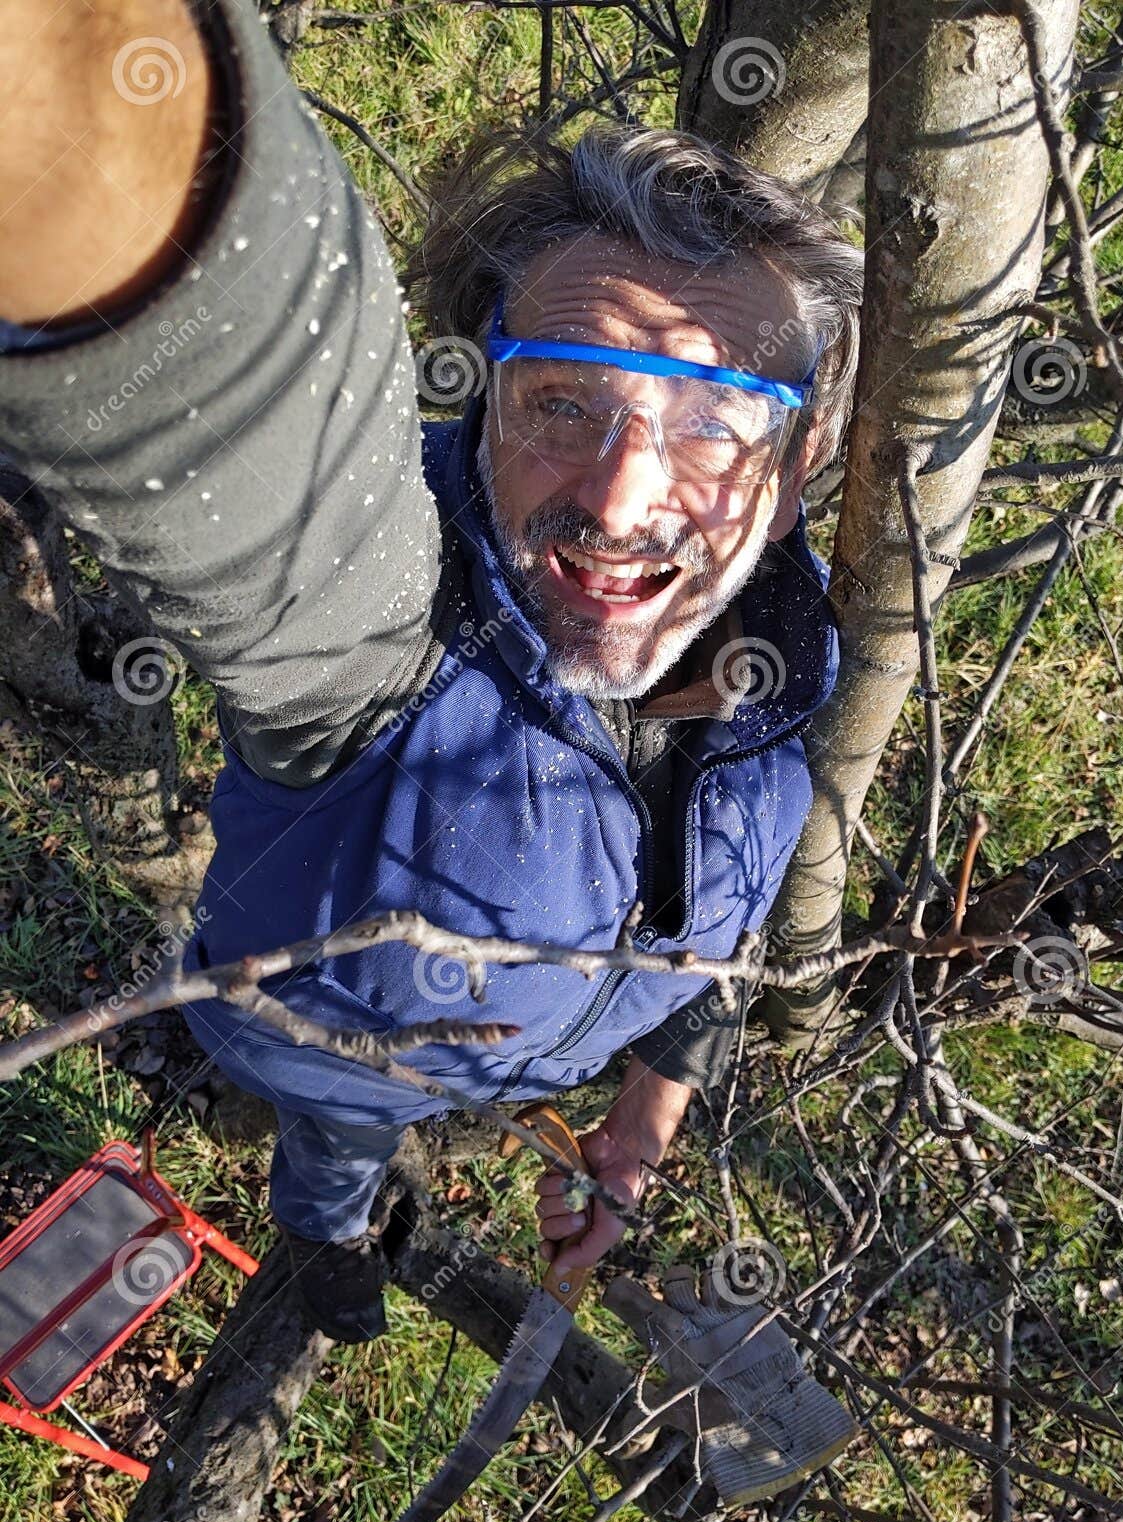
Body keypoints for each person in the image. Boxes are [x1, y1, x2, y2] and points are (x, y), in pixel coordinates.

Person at [0, 0, 862, 1342]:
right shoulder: (377, 640)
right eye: (562, 400)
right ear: (479, 403)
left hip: (539, 1065)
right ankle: (327, 1240)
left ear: (801, 460)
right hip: (328, 1061)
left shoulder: (792, 670)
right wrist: (82, 100)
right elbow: (258, 412)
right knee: (334, 1147)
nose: (623, 498)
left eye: (718, 421)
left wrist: (648, 1108)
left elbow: (722, 924)